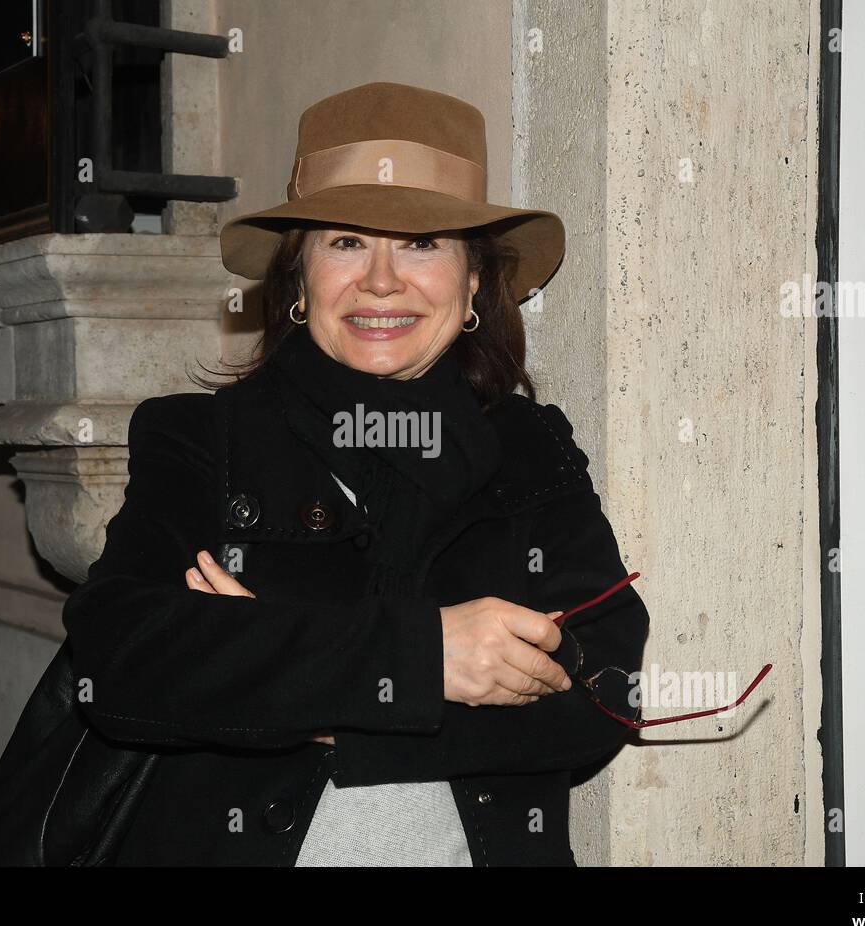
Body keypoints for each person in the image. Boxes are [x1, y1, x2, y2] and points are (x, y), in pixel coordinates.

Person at [61, 81, 650, 866]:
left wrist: (301, 690)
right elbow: (120, 664)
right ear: (298, 278)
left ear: (473, 280)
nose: (381, 280)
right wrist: (426, 660)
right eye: (345, 242)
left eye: (422, 243)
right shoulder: (201, 439)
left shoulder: (531, 450)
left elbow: (604, 696)